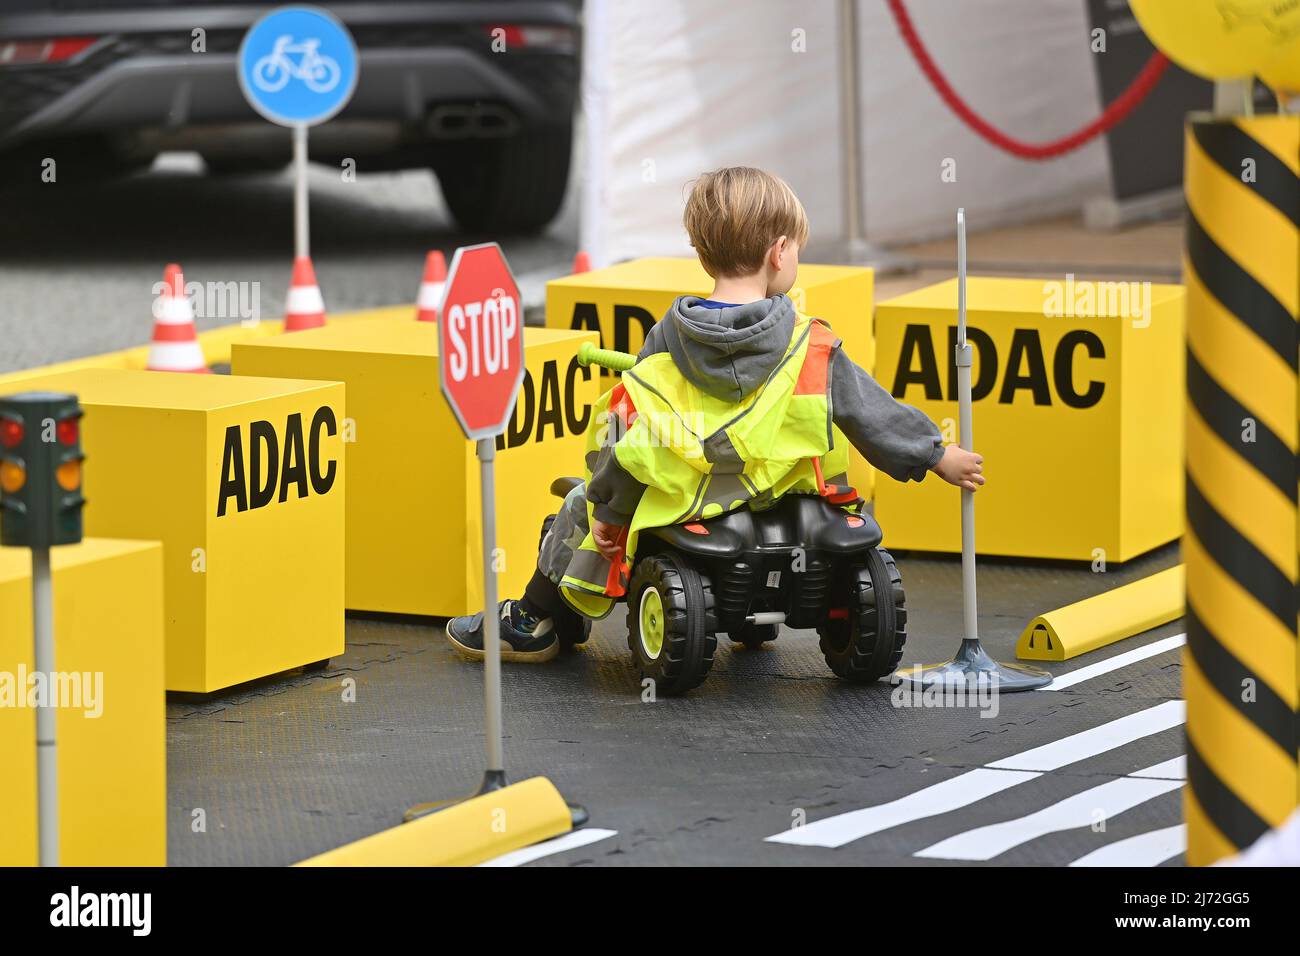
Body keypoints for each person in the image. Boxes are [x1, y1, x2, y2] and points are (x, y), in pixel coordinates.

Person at [446, 166, 984, 662]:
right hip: (785, 494)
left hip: (686, 500)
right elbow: (870, 413)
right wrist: (936, 453)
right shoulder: (810, 344)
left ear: (704, 258)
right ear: (779, 253)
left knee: (579, 503)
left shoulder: (667, 339)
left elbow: (634, 440)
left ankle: (533, 618)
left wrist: (609, 512)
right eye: (797, 247)